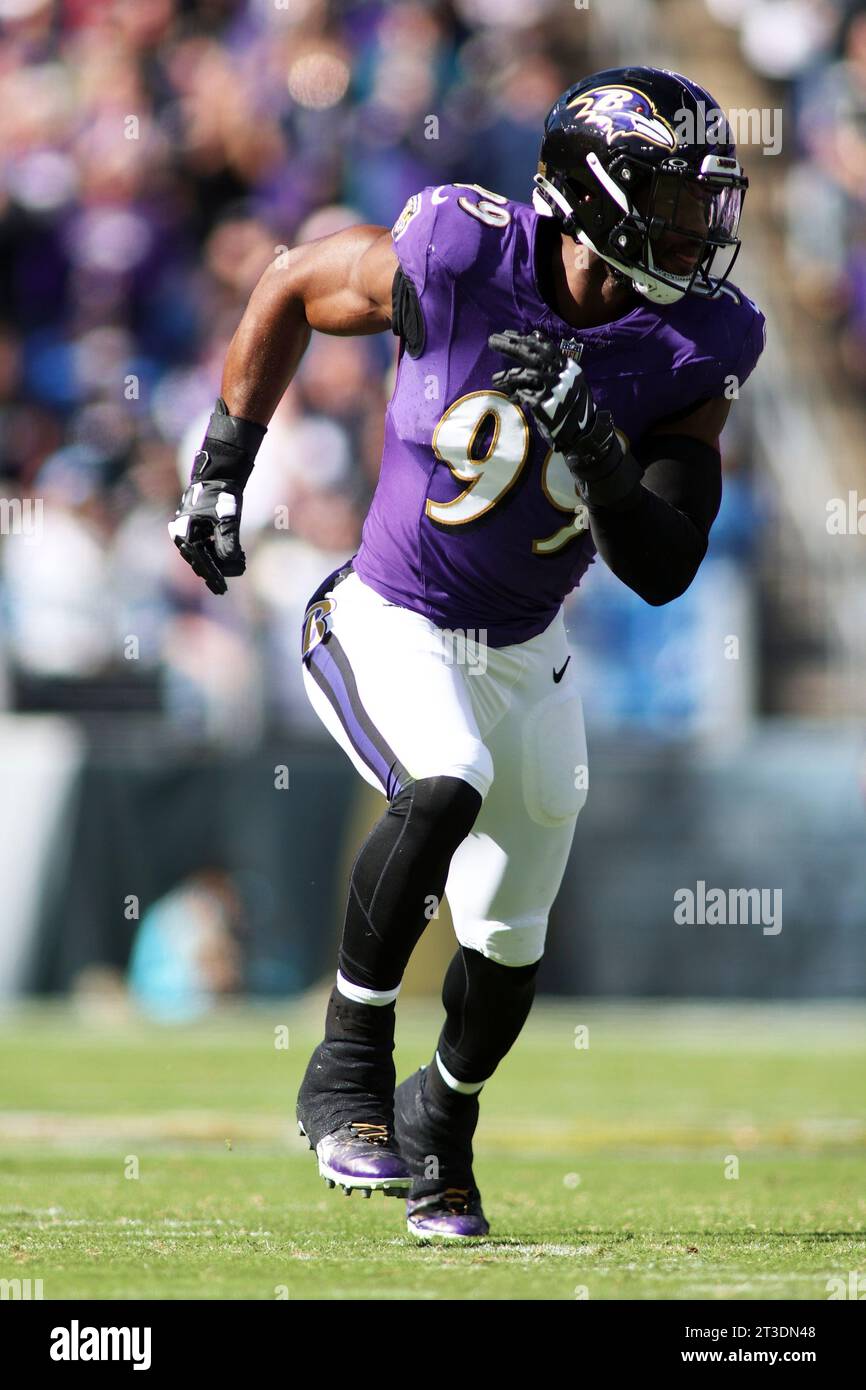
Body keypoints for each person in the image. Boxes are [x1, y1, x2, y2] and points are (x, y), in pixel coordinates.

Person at [169, 67, 766, 1240]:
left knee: (508, 934)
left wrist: (599, 452)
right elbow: (290, 282)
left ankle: (440, 1121)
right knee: (445, 779)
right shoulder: (457, 254)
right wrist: (220, 470)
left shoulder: (698, 341)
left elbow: (661, 563)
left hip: (528, 652)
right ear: (594, 192)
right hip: (387, 615)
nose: (698, 230)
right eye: (671, 197)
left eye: (707, 203)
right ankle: (345, 1069)